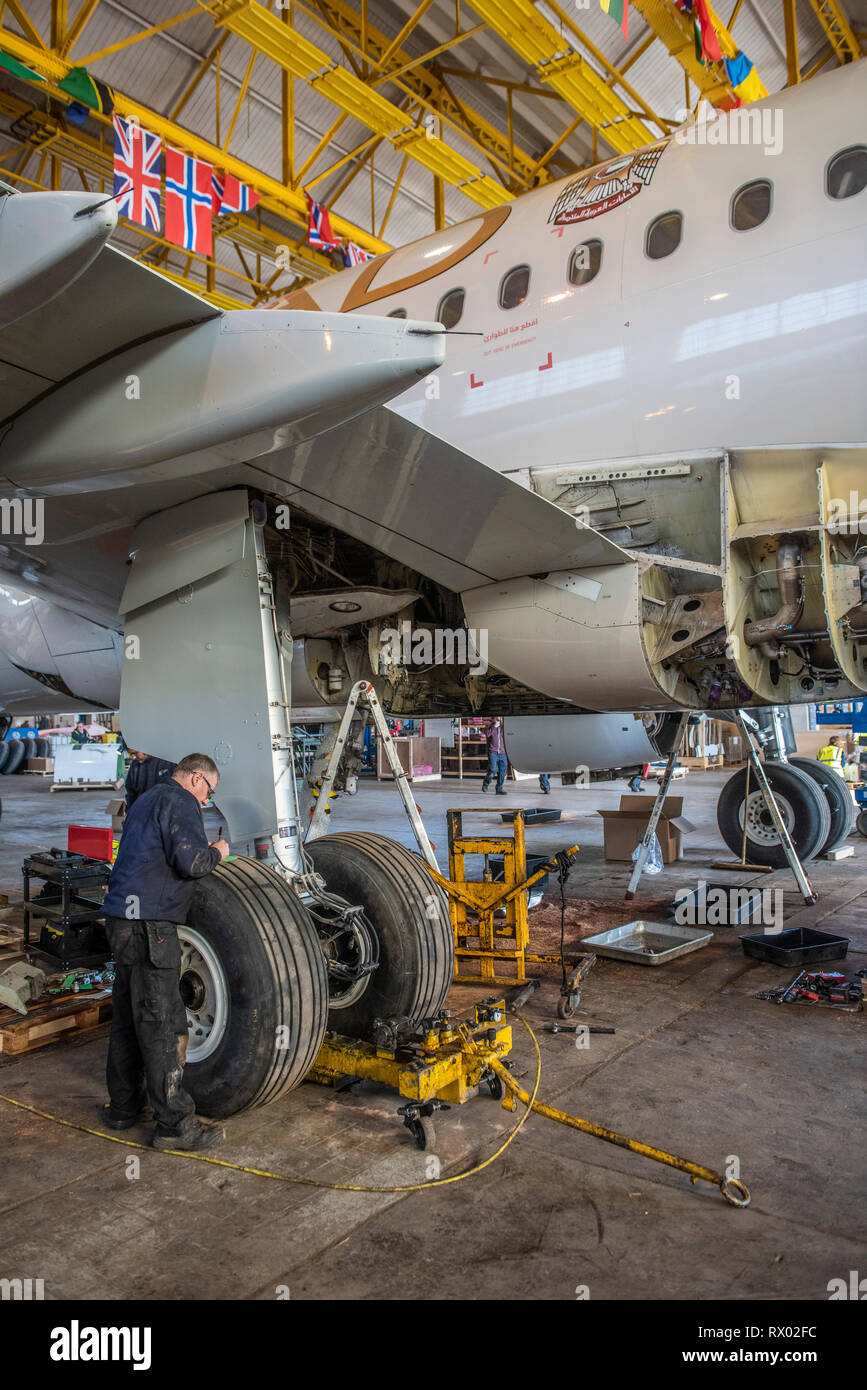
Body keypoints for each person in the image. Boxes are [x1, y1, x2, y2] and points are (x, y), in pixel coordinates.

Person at [101, 753, 230, 1152]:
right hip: (150, 927)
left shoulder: (146, 798)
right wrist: (220, 850)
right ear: (195, 779)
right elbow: (191, 861)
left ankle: (123, 1108)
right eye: (209, 791)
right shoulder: (181, 802)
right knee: (163, 1025)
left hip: (121, 921)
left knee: (126, 1018)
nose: (207, 801)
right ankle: (173, 1125)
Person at [480, 717, 508, 795]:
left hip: (502, 753)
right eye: (497, 717)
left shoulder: (504, 727)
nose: (498, 718)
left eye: (500, 717)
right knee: (493, 769)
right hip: (493, 752)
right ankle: (486, 783)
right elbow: (487, 734)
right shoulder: (489, 726)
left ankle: (499, 789)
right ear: (494, 718)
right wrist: (494, 726)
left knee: (503, 771)